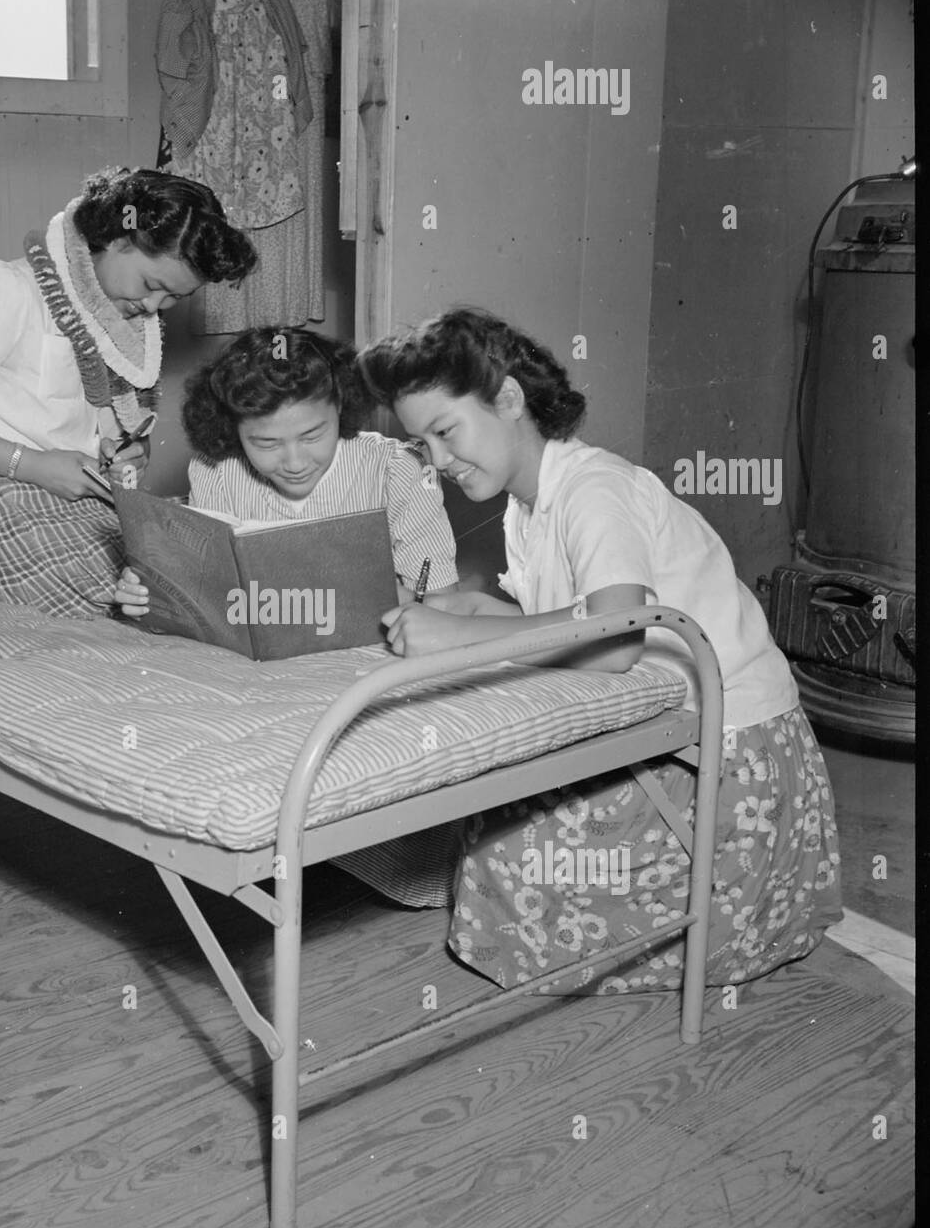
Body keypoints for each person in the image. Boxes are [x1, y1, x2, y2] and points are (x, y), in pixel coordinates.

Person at [343, 305, 842, 993]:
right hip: (665, 721)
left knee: (514, 855)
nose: (437, 461)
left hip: (731, 755)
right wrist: (483, 608)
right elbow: (572, 613)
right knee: (497, 835)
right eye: (420, 445)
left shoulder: (595, 489)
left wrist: (465, 636)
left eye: (445, 432)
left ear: (509, 397)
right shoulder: (529, 500)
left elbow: (612, 642)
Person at [0, 168, 258, 619]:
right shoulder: (9, 289)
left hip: (87, 504)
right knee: (162, 608)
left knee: (209, 575)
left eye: (174, 297)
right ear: (120, 238)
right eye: (153, 285)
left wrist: (127, 453)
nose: (155, 307)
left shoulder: (116, 316)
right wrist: (33, 464)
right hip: (10, 506)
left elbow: (87, 421)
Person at [112, 326, 460, 616]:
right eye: (266, 444)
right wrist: (152, 591)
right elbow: (205, 588)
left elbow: (442, 604)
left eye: (313, 435)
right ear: (233, 429)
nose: (295, 463)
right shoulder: (216, 472)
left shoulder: (400, 472)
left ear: (340, 405)